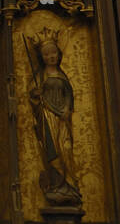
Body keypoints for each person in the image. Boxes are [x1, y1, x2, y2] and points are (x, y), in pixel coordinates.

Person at [27, 35, 81, 205]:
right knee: (53, 150)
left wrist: (66, 109)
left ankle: (69, 185)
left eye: (53, 53)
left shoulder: (62, 76)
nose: (50, 57)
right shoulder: (40, 76)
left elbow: (69, 95)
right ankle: (57, 185)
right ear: (42, 58)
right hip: (47, 115)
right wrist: (35, 95)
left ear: (58, 54)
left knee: (65, 148)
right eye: (46, 54)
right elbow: (33, 94)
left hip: (62, 118)